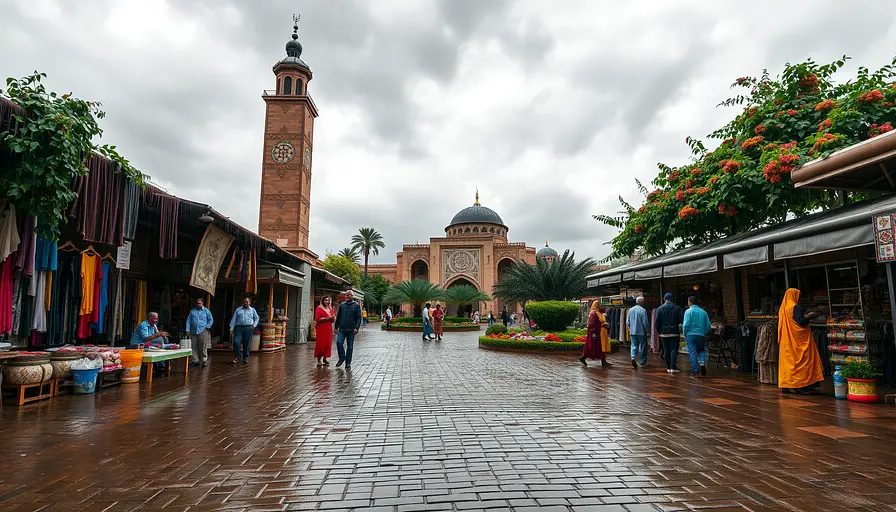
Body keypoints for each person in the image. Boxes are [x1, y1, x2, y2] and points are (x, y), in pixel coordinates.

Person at [777, 288, 825, 394]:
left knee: (789, 363)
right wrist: (811, 315)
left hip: (786, 341)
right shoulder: (795, 307)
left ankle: (787, 385)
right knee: (803, 361)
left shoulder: (782, 308)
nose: (799, 298)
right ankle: (802, 386)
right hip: (798, 340)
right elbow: (801, 321)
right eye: (798, 296)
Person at [682, 296, 712, 377]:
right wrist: (703, 332)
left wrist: (684, 333)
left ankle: (695, 370)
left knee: (692, 352)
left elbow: (686, 325)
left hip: (691, 335)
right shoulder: (703, 312)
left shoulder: (688, 312)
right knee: (701, 350)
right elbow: (708, 325)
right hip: (701, 335)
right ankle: (702, 363)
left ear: (690, 302)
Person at [655, 293, 683, 373]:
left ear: (664, 298)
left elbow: (657, 321)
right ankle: (673, 367)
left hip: (664, 332)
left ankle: (668, 367)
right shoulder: (677, 308)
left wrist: (659, 331)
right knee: (674, 349)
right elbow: (681, 320)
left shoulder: (659, 309)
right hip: (674, 331)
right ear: (672, 298)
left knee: (666, 349)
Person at [334, 290, 362, 369]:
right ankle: (342, 357)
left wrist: (356, 327)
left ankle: (348, 362)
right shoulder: (342, 305)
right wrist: (336, 327)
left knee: (350, 346)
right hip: (342, 328)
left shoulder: (356, 306)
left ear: (353, 296)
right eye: (347, 295)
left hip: (351, 329)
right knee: (339, 342)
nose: (348, 296)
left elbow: (359, 318)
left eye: (349, 295)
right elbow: (338, 317)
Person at [579, 302, 612, 367]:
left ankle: (603, 361)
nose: (600, 306)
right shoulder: (594, 313)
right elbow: (592, 324)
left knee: (598, 347)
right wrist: (602, 325)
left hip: (598, 332)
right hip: (595, 333)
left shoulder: (597, 313)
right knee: (595, 347)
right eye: (599, 305)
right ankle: (583, 357)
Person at [229, 297, 260, 364]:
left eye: (247, 302)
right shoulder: (238, 310)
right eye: (245, 301)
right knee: (236, 342)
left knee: (247, 343)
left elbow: (257, 318)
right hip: (239, 328)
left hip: (248, 328)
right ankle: (237, 356)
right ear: (242, 302)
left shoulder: (252, 310)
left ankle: (245, 358)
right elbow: (234, 319)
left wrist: (254, 325)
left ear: (249, 303)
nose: (246, 303)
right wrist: (231, 328)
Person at [186, 298, 213, 368]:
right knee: (193, 346)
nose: (198, 304)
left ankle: (204, 360)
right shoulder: (192, 311)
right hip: (193, 331)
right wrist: (187, 330)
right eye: (197, 303)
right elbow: (188, 321)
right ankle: (195, 360)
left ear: (202, 303)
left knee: (202, 346)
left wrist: (207, 327)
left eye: (200, 303)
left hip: (203, 331)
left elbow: (211, 319)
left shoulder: (206, 311)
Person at [626, 296, 650, 368]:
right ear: (642, 302)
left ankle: (633, 357)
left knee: (634, 345)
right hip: (641, 331)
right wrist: (647, 330)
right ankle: (642, 362)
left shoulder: (630, 310)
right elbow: (645, 322)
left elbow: (628, 321)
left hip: (632, 331)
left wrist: (630, 329)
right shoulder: (643, 310)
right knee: (643, 346)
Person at [314, 297, 336, 366]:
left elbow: (333, 319)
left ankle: (325, 358)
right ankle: (319, 359)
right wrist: (326, 318)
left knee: (328, 343)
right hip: (321, 328)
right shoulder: (319, 308)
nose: (327, 301)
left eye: (328, 300)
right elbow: (317, 318)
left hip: (328, 328)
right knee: (321, 343)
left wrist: (333, 318)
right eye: (325, 300)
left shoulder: (330, 309)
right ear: (323, 301)